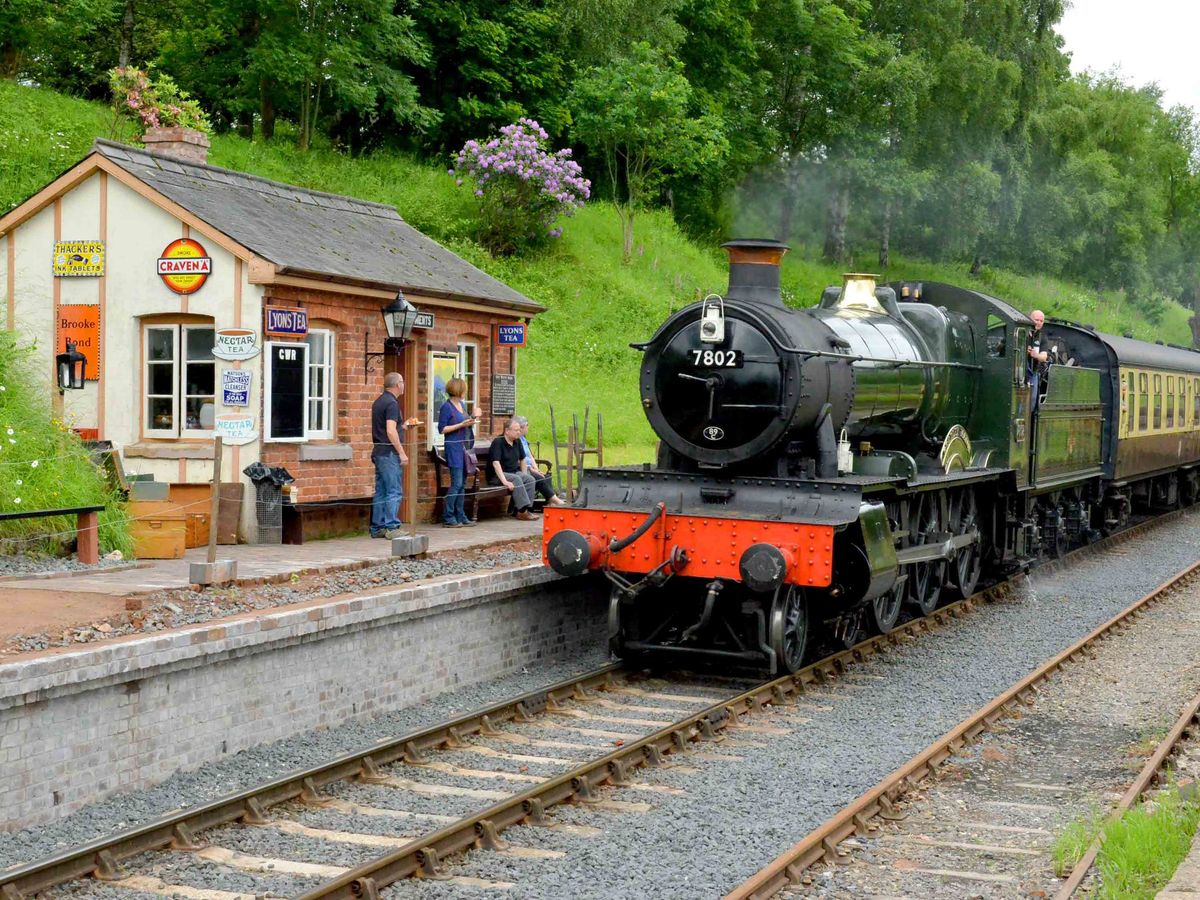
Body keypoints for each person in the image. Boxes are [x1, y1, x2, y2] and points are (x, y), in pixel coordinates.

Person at [437, 377, 483, 528]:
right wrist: (461, 424)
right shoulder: (447, 407)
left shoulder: (461, 405)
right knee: (456, 483)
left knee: (462, 483)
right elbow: (442, 429)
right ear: (458, 390)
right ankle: (448, 516)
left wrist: (473, 418)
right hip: (454, 448)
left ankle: (460, 514)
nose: (465, 391)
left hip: (465, 447)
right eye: (463, 389)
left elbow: (465, 423)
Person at [370, 372, 409, 539]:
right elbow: (390, 431)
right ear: (397, 384)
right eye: (402, 381)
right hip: (389, 453)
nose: (404, 384)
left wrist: (404, 426)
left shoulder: (378, 402)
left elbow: (390, 428)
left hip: (378, 451)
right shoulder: (392, 403)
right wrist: (402, 453)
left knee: (380, 490)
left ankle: (377, 527)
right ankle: (392, 526)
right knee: (394, 490)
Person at [488, 419, 539, 521]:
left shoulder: (517, 441)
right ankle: (523, 511)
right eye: (516, 430)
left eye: (519, 430)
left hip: (513, 472)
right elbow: (495, 463)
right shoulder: (498, 442)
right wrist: (505, 481)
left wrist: (524, 474)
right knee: (516, 479)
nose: (519, 432)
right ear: (507, 431)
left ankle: (522, 510)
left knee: (530, 479)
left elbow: (523, 459)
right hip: (498, 475)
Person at [513, 415, 565, 508]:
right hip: (522, 469)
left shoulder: (523, 439)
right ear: (522, 427)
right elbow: (517, 460)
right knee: (539, 478)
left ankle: (550, 501)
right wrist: (531, 469)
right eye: (527, 425)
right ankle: (554, 500)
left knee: (545, 476)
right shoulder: (516, 441)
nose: (528, 428)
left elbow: (530, 456)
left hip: (530, 468)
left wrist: (536, 468)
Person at [1027, 309, 1050, 399]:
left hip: (1033, 372)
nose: (1039, 323)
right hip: (1019, 372)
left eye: (1041, 321)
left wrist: (1035, 355)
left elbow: (1044, 357)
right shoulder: (1022, 332)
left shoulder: (1042, 337)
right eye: (1036, 320)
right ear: (1030, 319)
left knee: (1032, 400)